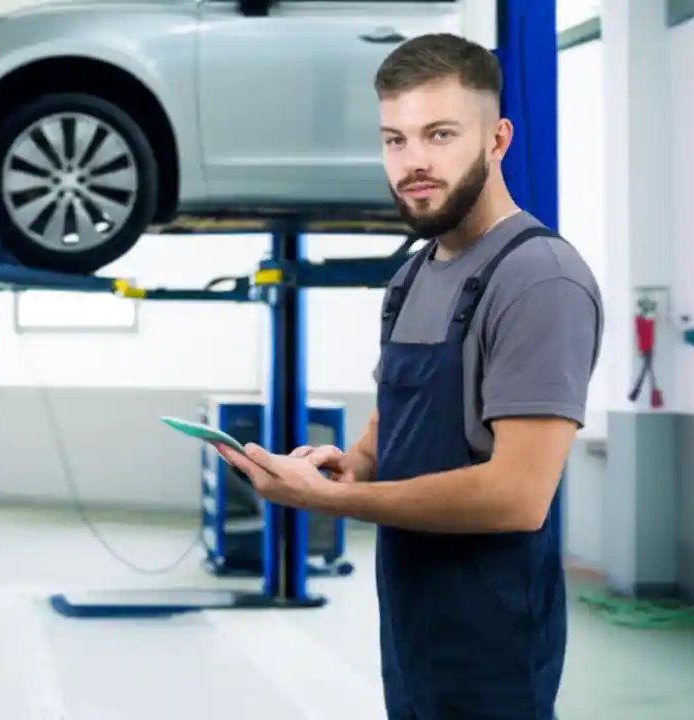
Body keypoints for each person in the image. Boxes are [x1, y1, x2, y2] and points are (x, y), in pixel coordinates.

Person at [213, 33, 604, 720]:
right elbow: (394, 416)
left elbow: (518, 496)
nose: (413, 162)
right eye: (395, 140)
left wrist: (331, 505)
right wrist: (349, 467)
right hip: (414, 628)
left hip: (495, 649)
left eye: (439, 134)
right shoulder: (412, 275)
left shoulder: (540, 279)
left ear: (497, 138)